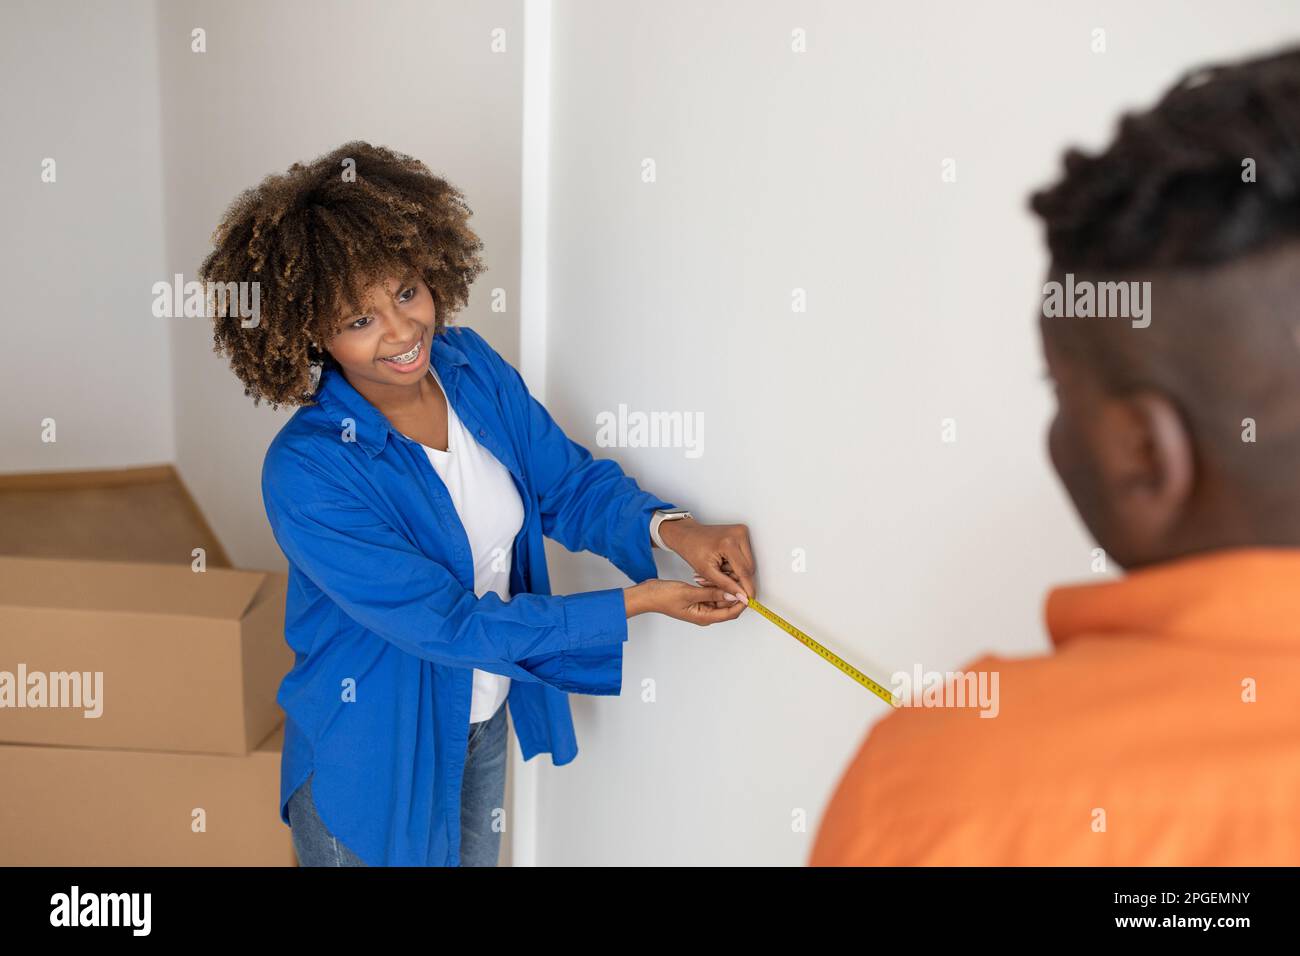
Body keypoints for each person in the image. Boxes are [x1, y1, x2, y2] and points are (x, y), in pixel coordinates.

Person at [199, 142, 759, 866]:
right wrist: (637, 602)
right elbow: (447, 619)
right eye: (359, 320)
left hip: (481, 715)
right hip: (374, 750)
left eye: (405, 293)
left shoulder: (470, 368)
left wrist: (674, 529)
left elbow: (565, 484)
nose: (402, 333)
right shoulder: (308, 470)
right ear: (310, 332)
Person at [811, 45, 1300, 866]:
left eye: (1056, 390)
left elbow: (568, 481)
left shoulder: (932, 795)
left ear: (1141, 454)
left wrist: (656, 538)